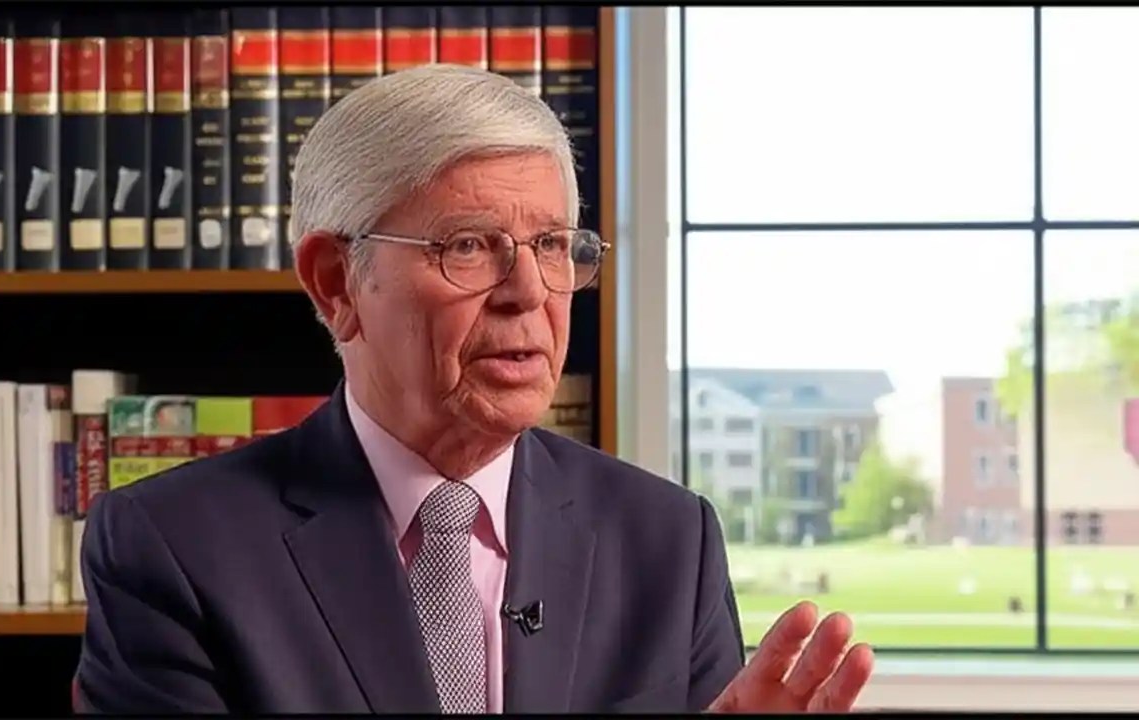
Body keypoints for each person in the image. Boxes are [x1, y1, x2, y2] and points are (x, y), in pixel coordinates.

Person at [73, 63, 874, 714]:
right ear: (336, 284)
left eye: (553, 244)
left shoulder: (668, 543)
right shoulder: (171, 547)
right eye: (468, 246)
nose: (529, 292)